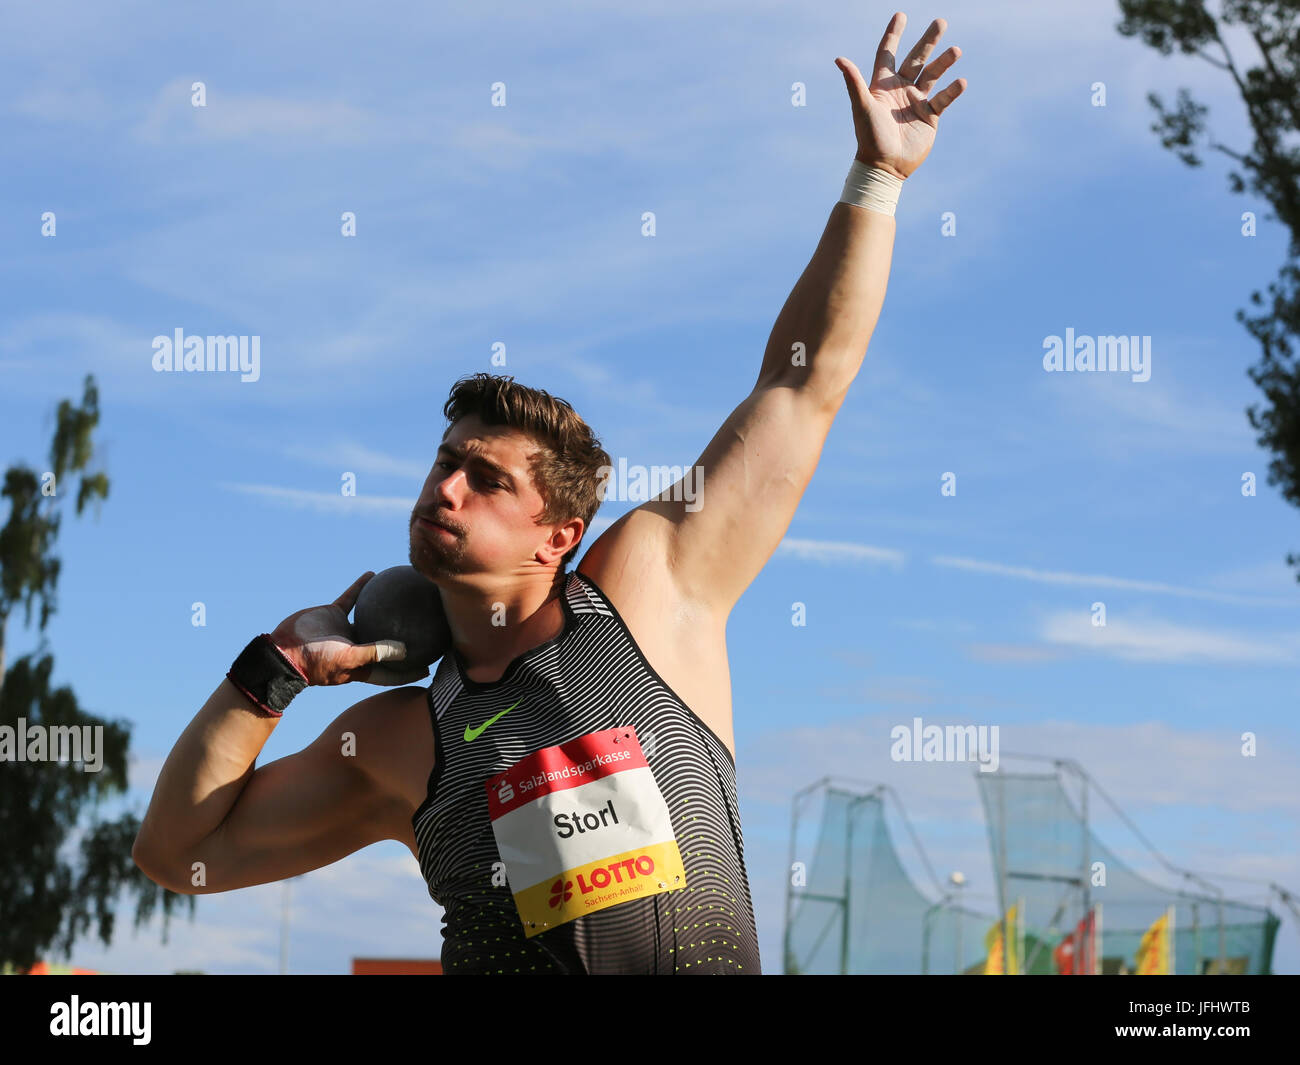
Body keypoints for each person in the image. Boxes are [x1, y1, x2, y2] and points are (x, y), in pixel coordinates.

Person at [132, 11, 965, 974]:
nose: (445, 487)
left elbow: (800, 385)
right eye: (444, 462)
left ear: (559, 533)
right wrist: (276, 667)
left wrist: (879, 179)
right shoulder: (399, 741)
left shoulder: (652, 595)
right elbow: (178, 855)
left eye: (486, 480)